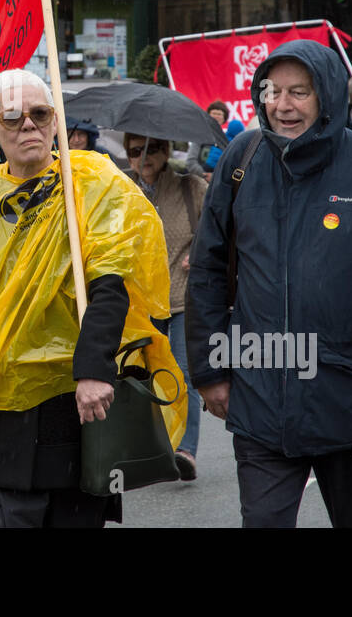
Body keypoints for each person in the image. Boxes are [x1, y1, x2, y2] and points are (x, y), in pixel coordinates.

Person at [0, 69, 183, 528]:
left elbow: (109, 287)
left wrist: (94, 371)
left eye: (40, 114)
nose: (29, 126)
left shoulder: (93, 187)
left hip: (76, 409)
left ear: (56, 121)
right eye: (14, 116)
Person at [185, 40, 352, 528]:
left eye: (299, 92)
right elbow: (207, 268)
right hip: (261, 403)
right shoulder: (241, 160)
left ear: (327, 95)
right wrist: (208, 369)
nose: (282, 105)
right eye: (272, 91)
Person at [125, 130, 208, 481]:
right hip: (139, 302)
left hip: (182, 297)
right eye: (134, 152)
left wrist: (199, 252)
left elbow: (219, 229)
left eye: (153, 150)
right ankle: (153, 450)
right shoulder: (121, 190)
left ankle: (185, 450)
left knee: (183, 375)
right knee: (142, 379)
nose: (143, 159)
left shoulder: (191, 187)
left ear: (167, 149)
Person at [197, 101, 245, 175]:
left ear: (224, 117)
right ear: (208, 115)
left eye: (219, 114)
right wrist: (204, 174)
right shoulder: (200, 134)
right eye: (213, 113)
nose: (216, 116)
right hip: (202, 176)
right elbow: (191, 161)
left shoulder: (226, 138)